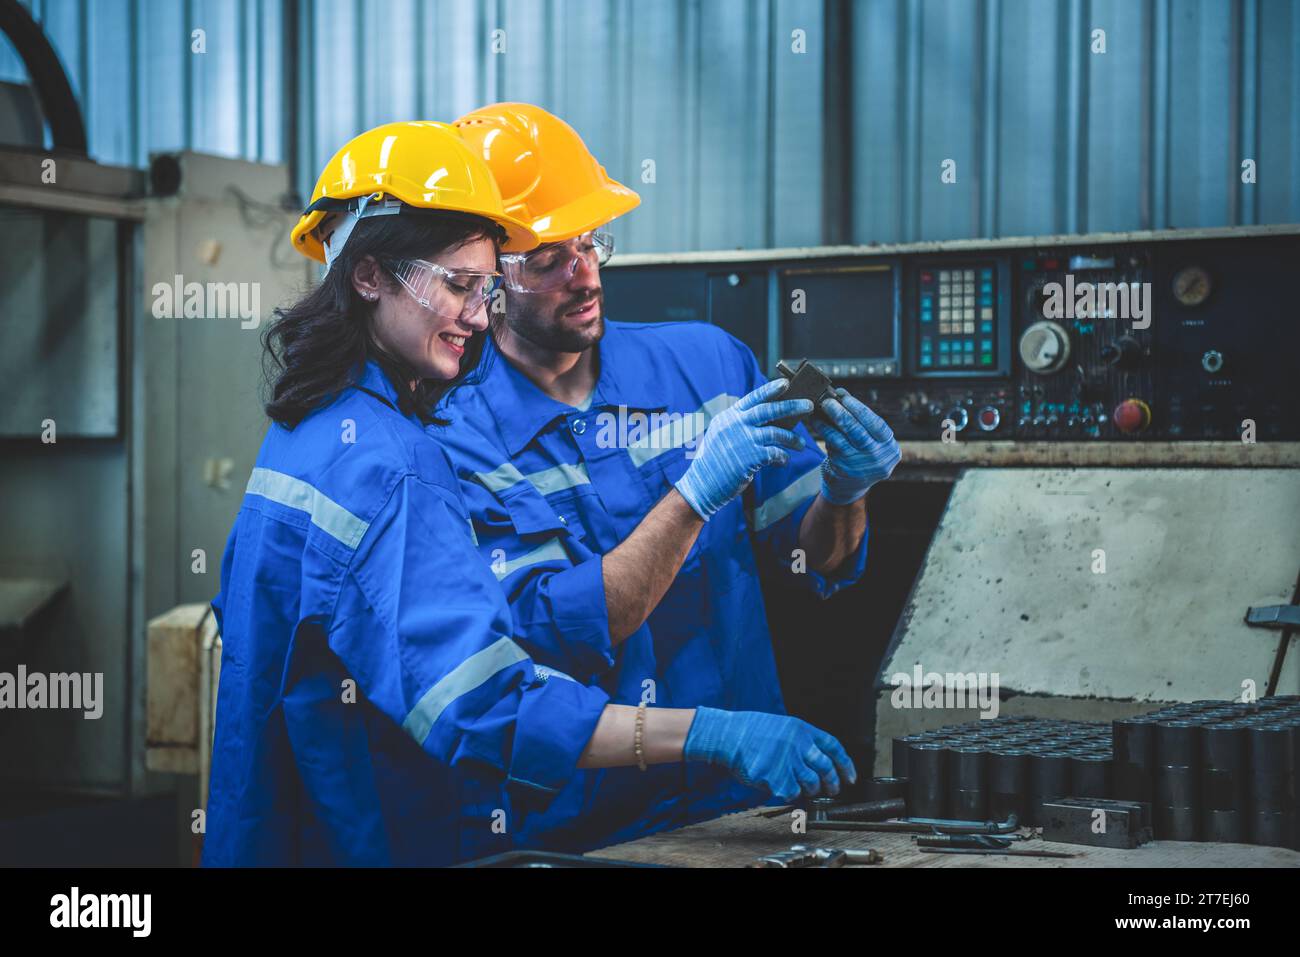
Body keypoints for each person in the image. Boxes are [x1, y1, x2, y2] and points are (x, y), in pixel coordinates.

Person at [204, 121, 856, 866]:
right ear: (368, 275)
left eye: (483, 288)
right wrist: (712, 732)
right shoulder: (396, 463)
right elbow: (488, 705)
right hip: (366, 834)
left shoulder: (308, 429)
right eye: (459, 285)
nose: (478, 315)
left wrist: (848, 483)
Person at [438, 103, 901, 852]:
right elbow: (565, 631)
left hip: (741, 812)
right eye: (551, 257)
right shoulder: (458, 439)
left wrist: (847, 493)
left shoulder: (709, 366)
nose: (585, 276)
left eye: (591, 245)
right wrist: (695, 494)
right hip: (581, 833)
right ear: (489, 279)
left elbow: (813, 557)